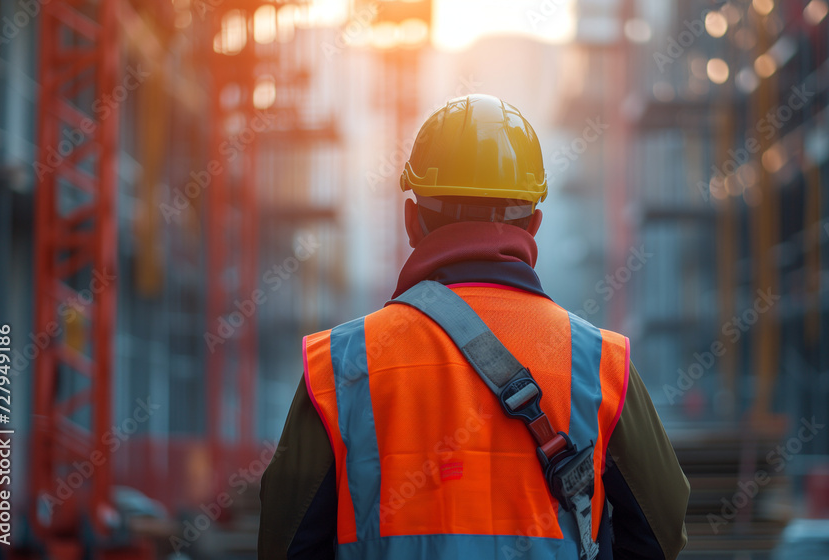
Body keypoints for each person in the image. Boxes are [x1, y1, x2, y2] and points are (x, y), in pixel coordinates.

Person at [259, 94, 689, 559]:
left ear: (411, 222)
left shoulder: (336, 366)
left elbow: (286, 544)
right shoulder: (602, 364)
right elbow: (661, 533)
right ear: (535, 224)